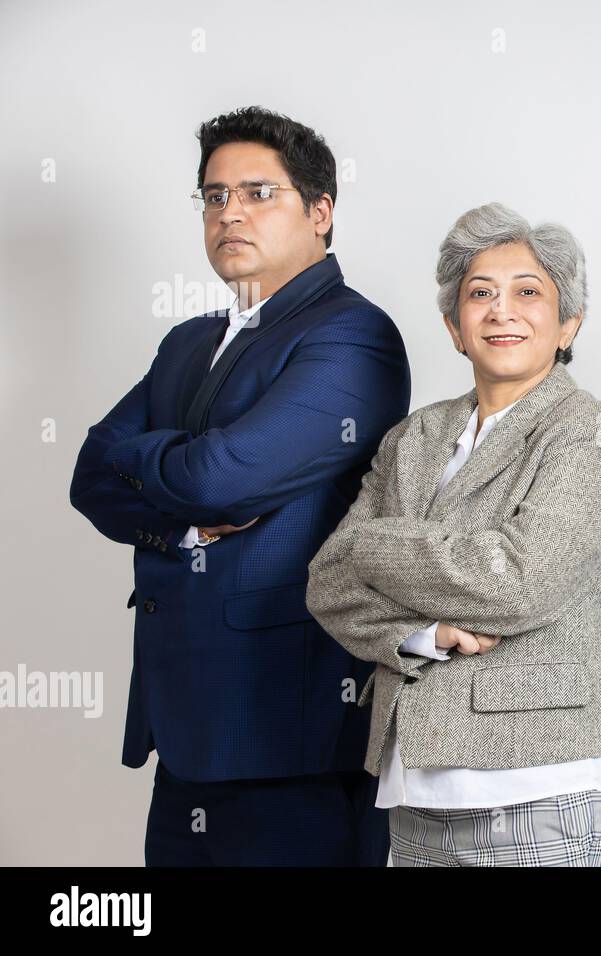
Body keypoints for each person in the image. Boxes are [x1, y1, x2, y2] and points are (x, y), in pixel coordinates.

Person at [69, 106, 411, 865]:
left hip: (291, 732)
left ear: (320, 212)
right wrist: (177, 524)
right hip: (185, 730)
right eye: (215, 196)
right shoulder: (187, 342)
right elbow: (91, 471)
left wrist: (164, 458)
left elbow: (221, 480)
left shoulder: (353, 335)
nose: (230, 213)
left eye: (258, 193)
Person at [306, 202, 601, 867]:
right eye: (479, 294)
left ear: (568, 321)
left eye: (527, 292)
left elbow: (517, 581)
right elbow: (327, 582)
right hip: (416, 785)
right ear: (455, 327)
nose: (500, 310)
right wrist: (422, 634)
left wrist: (373, 544)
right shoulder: (412, 437)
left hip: (547, 787)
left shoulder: (591, 432)